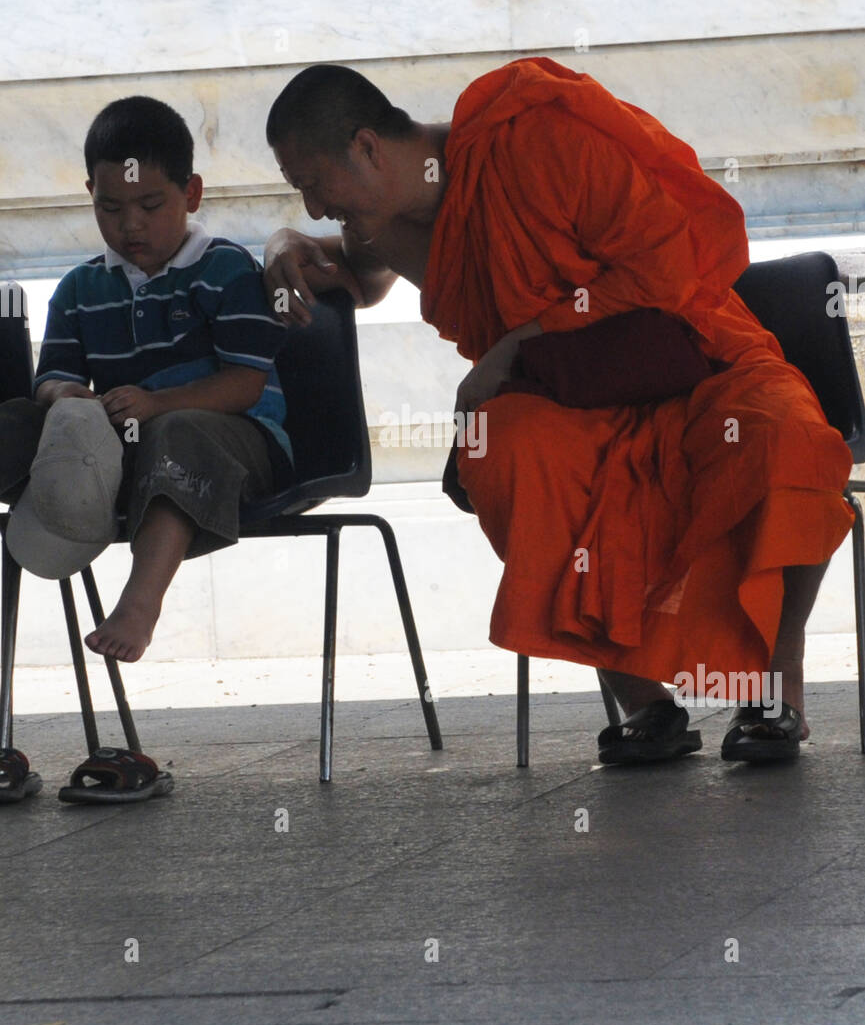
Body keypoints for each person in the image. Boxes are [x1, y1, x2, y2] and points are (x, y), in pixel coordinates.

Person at [262, 57, 855, 765]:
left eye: (313, 186)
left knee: (786, 438)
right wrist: (282, 245)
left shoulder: (532, 138)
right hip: (568, 395)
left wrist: (516, 344)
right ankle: (645, 706)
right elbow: (360, 276)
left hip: (691, 361)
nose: (316, 210)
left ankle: (773, 695)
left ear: (365, 147)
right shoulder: (378, 223)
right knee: (502, 448)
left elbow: (663, 268)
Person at [3, 95, 292, 667]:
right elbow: (53, 380)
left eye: (150, 204)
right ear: (90, 196)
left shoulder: (227, 270)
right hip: (120, 448)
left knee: (177, 433)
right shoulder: (79, 290)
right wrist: (74, 402)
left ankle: (140, 602)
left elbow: (243, 386)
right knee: (17, 420)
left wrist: (155, 403)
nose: (130, 225)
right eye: (110, 207)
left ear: (192, 194)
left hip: (235, 448)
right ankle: (64, 513)